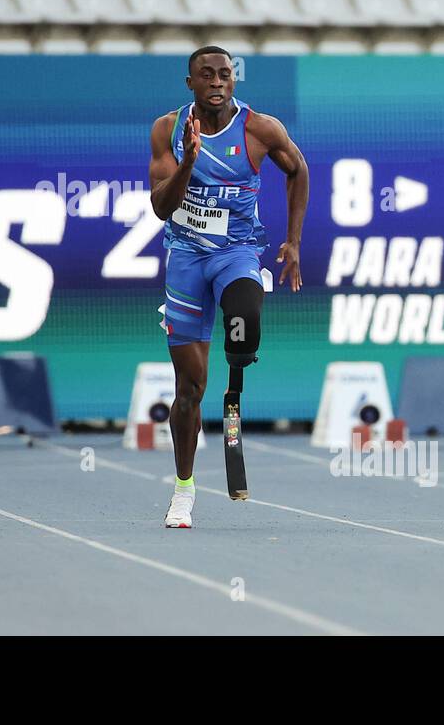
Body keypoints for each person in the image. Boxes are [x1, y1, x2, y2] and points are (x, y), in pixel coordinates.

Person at [147, 46, 309, 527]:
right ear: (190, 83)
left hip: (237, 253)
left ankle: (235, 391)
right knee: (189, 387)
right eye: (207, 75)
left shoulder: (260, 129)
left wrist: (293, 242)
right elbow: (161, 206)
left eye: (225, 74)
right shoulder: (167, 131)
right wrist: (189, 162)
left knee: (246, 323)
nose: (218, 82)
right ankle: (183, 488)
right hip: (186, 259)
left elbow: (298, 170)